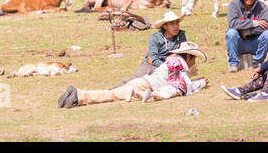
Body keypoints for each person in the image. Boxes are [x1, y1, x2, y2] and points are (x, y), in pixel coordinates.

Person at [58, 42, 207, 107]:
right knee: (112, 95)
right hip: (144, 86)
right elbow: (179, 86)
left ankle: (79, 95)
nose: (194, 63)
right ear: (189, 57)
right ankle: (80, 96)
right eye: (194, 59)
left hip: (143, 84)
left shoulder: (174, 61)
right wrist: (199, 83)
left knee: (113, 94)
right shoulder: (176, 63)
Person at [116, 10, 186, 85]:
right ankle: (114, 90)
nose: (176, 26)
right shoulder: (155, 37)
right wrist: (166, 66)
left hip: (172, 67)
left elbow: (184, 51)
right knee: (135, 80)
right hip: (152, 65)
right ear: (165, 26)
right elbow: (153, 58)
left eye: (177, 23)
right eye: (172, 24)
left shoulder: (181, 35)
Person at [225, 0, 268, 72]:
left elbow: (266, 26)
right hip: (239, 43)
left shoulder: (262, 7)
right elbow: (233, 23)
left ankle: (257, 62)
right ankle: (233, 63)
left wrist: (247, 31)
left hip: (255, 43)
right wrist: (254, 23)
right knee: (231, 32)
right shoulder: (234, 5)